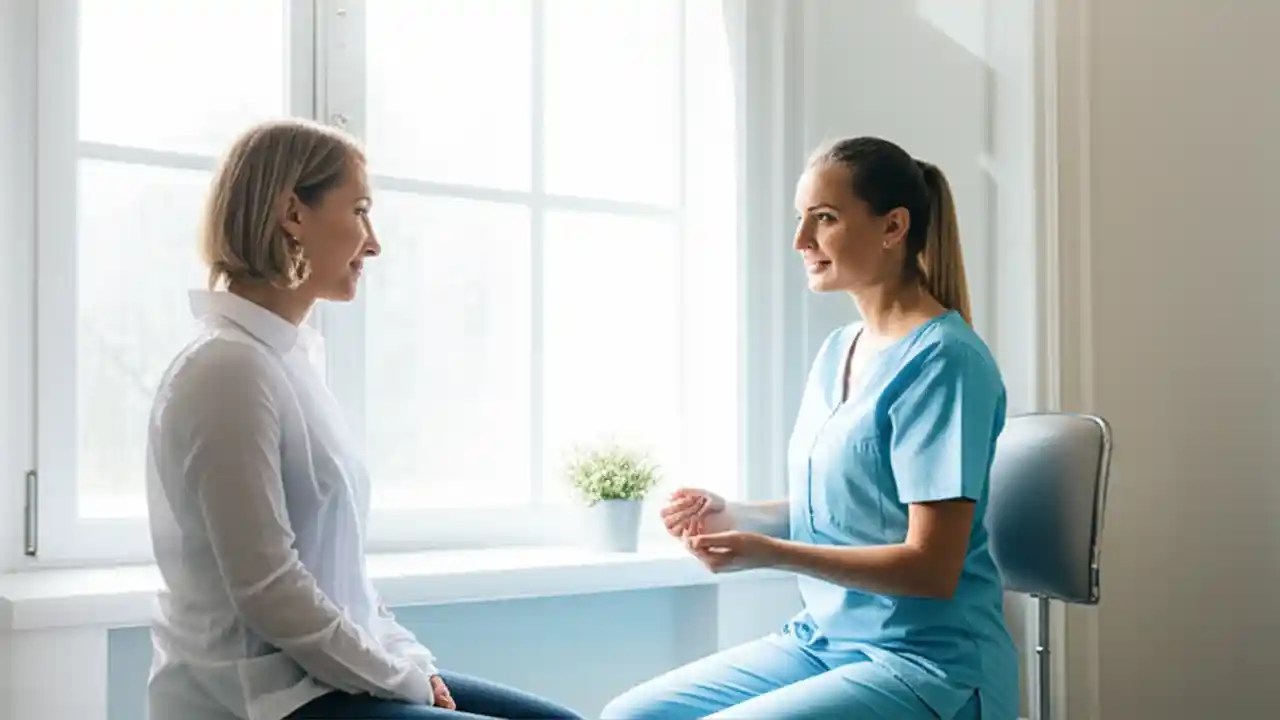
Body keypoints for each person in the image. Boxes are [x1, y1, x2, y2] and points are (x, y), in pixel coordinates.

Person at [145, 118, 581, 720]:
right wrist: (402, 681)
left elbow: (342, 581)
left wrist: (414, 663)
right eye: (359, 211)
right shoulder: (227, 371)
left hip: (323, 680)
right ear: (293, 214)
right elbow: (270, 591)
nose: (372, 242)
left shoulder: (286, 362)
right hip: (262, 701)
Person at [602, 137, 1019, 720]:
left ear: (893, 227)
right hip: (824, 642)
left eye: (823, 219)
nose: (801, 241)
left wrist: (770, 552)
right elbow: (845, 510)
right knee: (629, 716)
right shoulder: (838, 350)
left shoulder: (946, 362)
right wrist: (738, 514)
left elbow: (931, 566)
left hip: (928, 664)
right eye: (801, 219)